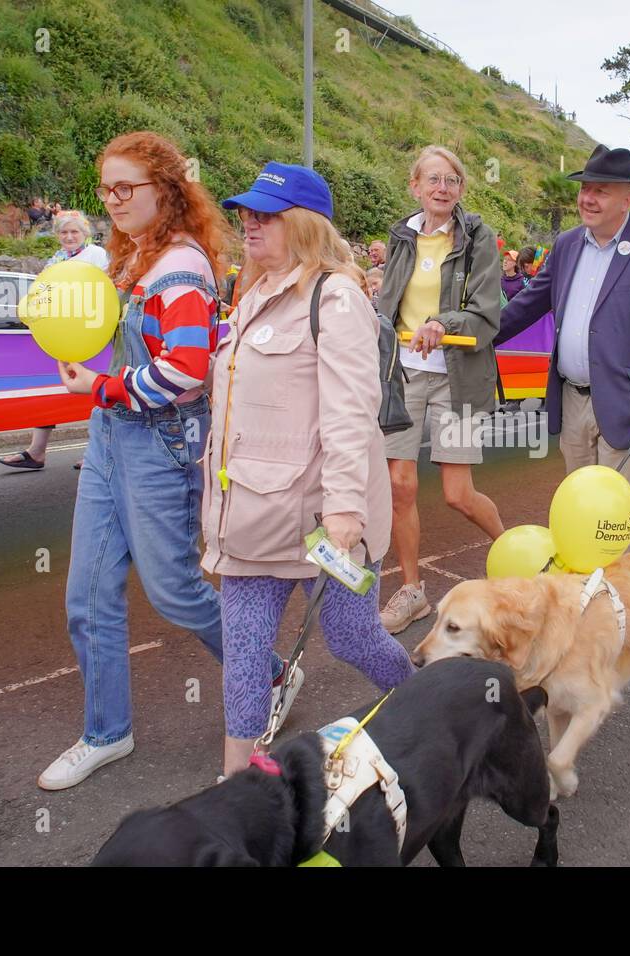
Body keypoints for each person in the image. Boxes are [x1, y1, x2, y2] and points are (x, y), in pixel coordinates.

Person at [38, 131, 233, 790]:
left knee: (176, 593)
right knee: (86, 598)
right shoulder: (133, 256)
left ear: (166, 191)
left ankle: (263, 671)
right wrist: (103, 387)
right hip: (112, 435)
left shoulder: (180, 267)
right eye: (105, 188)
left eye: (127, 188)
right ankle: (106, 733)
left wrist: (99, 386)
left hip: (161, 439)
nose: (112, 200)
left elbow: (183, 371)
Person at [206, 163, 413, 777]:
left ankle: (424, 700)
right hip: (250, 514)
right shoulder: (251, 294)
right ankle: (236, 785)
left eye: (265, 215)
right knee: (243, 655)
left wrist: (347, 509)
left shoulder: (336, 297)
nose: (250, 223)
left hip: (327, 521)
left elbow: (352, 413)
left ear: (301, 224)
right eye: (246, 213)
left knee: (352, 638)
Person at [496, 144, 630, 543]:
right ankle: (588, 596)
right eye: (585, 189)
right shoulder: (566, 245)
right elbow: (527, 304)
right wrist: (476, 334)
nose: (587, 198)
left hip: (627, 403)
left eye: (600, 190)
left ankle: (629, 599)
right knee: (581, 515)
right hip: (572, 400)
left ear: (627, 199)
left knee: (617, 522)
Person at [375, 145, 505, 634]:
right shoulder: (401, 237)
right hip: (402, 372)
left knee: (457, 493)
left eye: (451, 180)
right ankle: (413, 590)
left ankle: (515, 553)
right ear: (415, 186)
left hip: (457, 374)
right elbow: (390, 300)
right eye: (432, 179)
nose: (441, 188)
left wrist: (440, 323)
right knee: (399, 486)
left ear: (461, 189)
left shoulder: (478, 238)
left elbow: (488, 310)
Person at [0, 211, 111, 471]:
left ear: (85, 234)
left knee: (94, 391)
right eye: (64, 232)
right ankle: (36, 451)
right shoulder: (57, 259)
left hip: (90, 332)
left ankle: (97, 452)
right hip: (61, 333)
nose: (69, 236)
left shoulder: (96, 255)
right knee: (51, 388)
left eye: (75, 232)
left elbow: (106, 289)